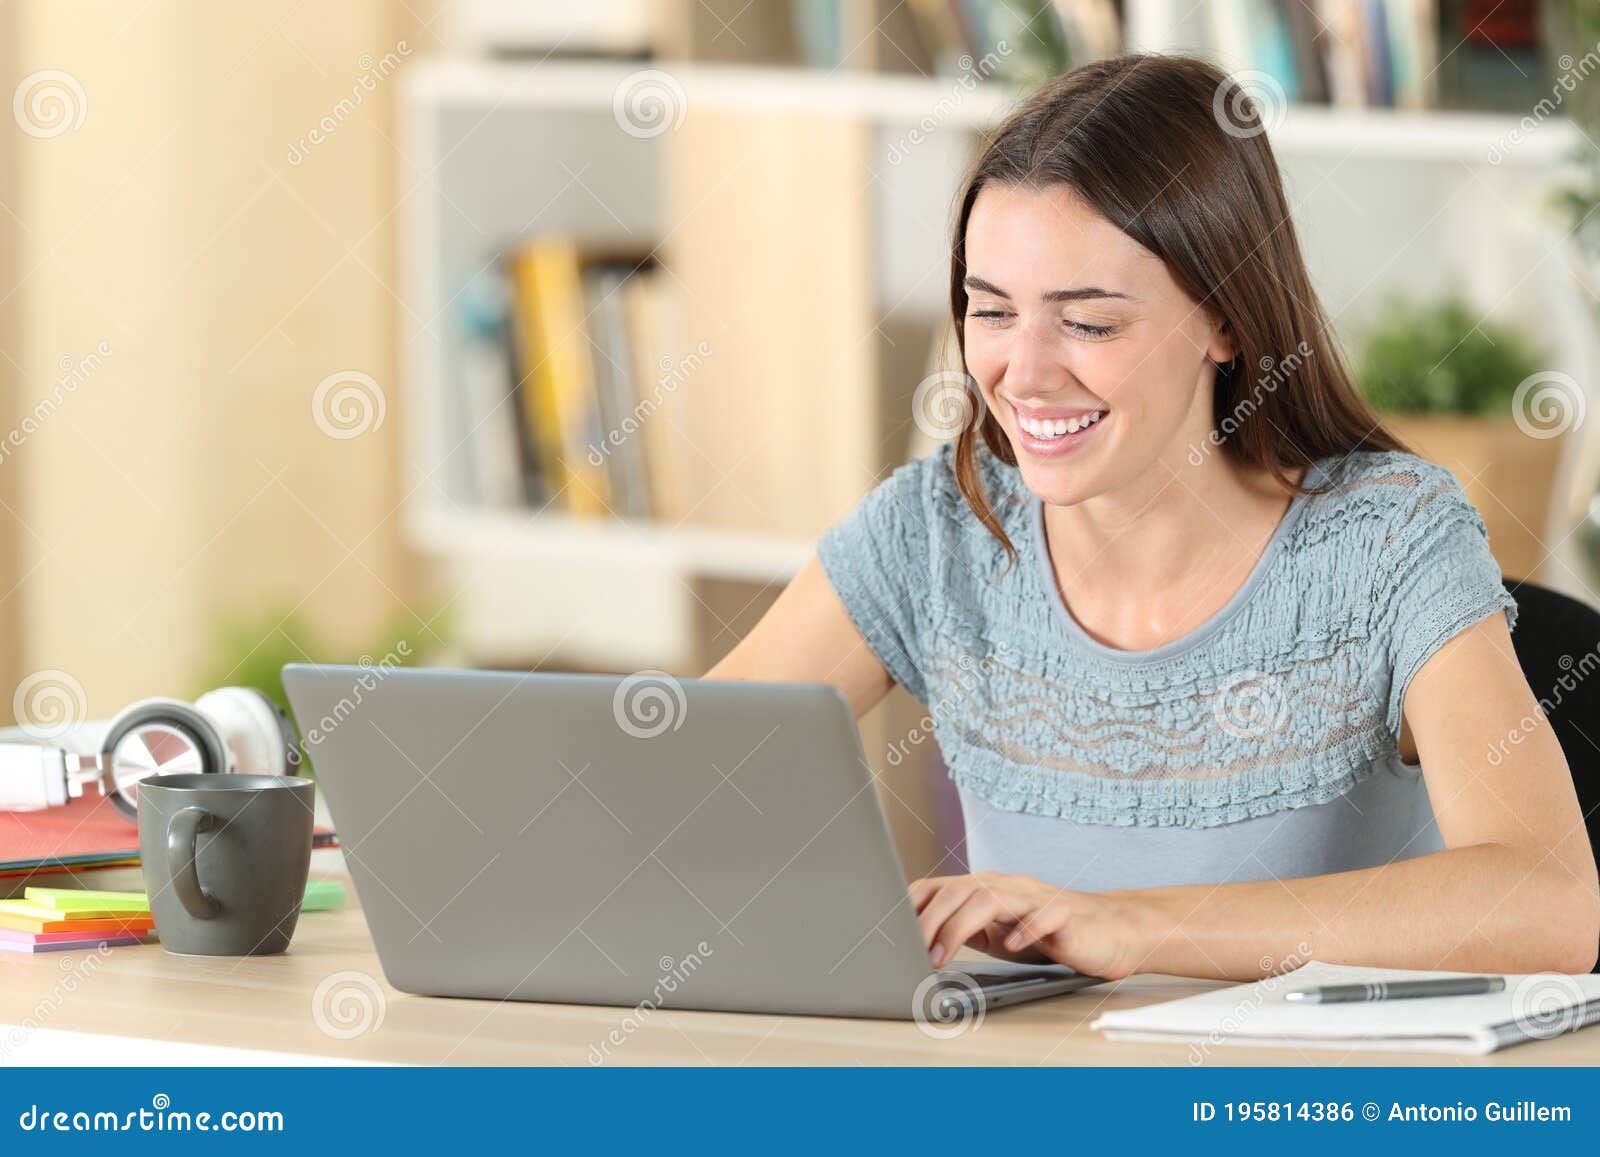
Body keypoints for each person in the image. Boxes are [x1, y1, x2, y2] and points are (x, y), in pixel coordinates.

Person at [707, 54, 1598, 982]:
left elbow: (1546, 901)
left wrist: (1134, 926)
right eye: (991, 311)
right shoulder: (937, 531)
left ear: (1226, 320)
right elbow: (672, 781)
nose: (1025, 370)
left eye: (1088, 323)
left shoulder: (1388, 545)